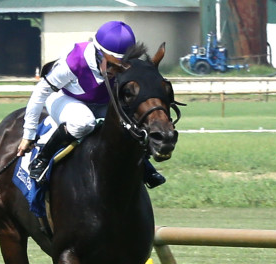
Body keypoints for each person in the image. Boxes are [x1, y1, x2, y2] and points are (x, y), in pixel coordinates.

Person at [16, 20, 166, 189]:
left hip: (100, 102)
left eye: (120, 64)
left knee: (127, 122)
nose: (115, 70)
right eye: (111, 64)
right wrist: (28, 134)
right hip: (65, 97)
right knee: (83, 122)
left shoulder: (127, 65)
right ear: (97, 53)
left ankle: (145, 166)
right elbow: (41, 91)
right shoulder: (75, 62)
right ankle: (42, 159)